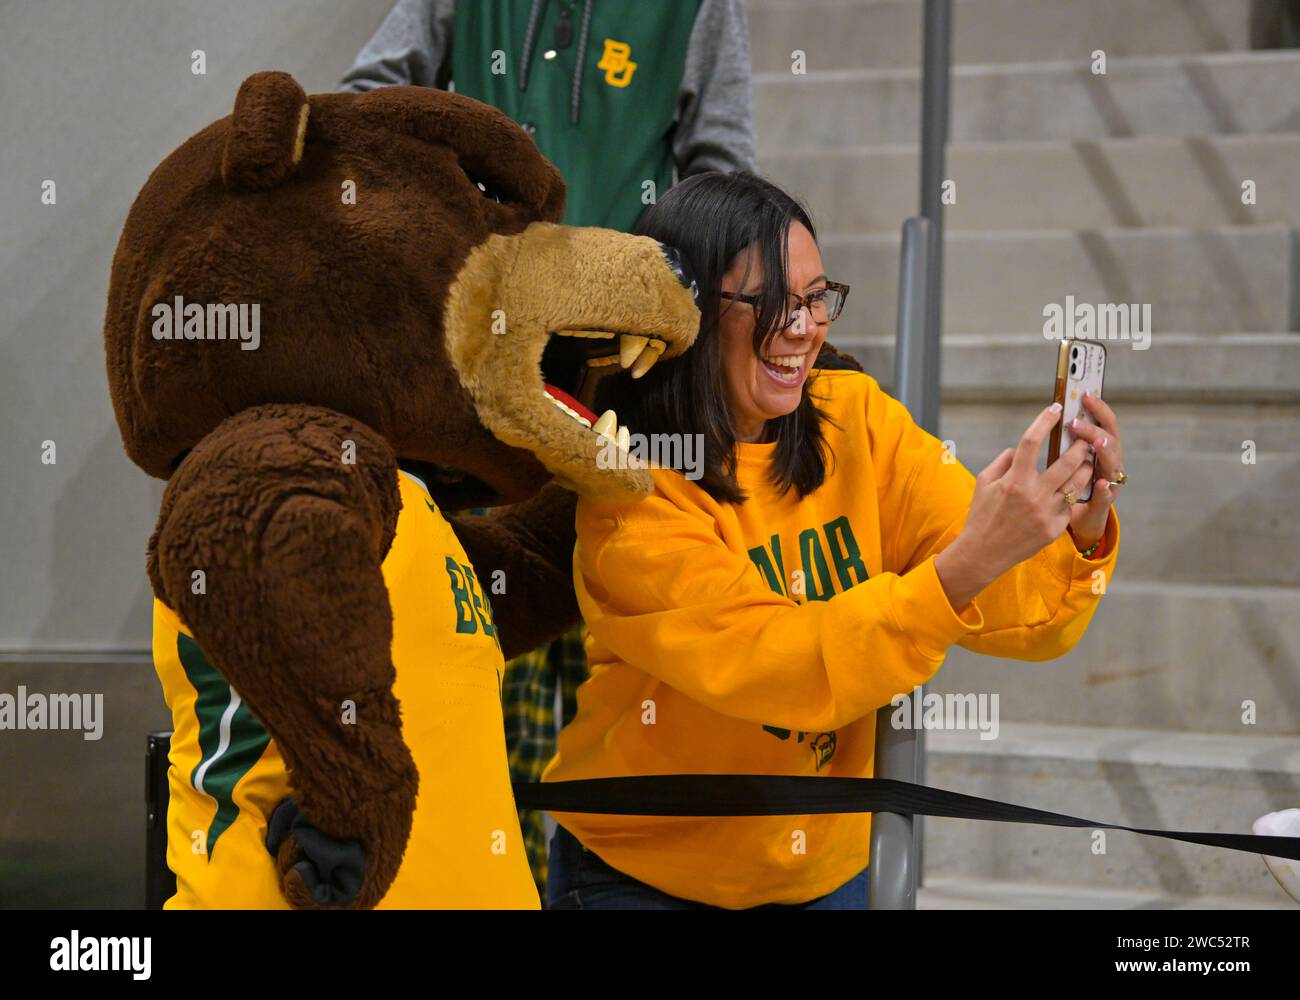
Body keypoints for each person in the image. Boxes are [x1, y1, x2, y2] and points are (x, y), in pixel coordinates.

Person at [542, 171, 1125, 909]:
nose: (804, 327)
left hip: (826, 871)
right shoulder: (632, 490)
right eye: (772, 302)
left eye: (818, 297)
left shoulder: (855, 417)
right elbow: (781, 668)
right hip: (644, 874)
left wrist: (1082, 522)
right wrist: (963, 568)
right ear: (686, 313)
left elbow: (1031, 620)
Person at [339, 0, 758, 897]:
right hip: (480, 382)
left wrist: (668, 296)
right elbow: (368, 98)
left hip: (629, 388)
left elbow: (724, 179)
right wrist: (446, 213)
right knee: (482, 669)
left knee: (610, 674)